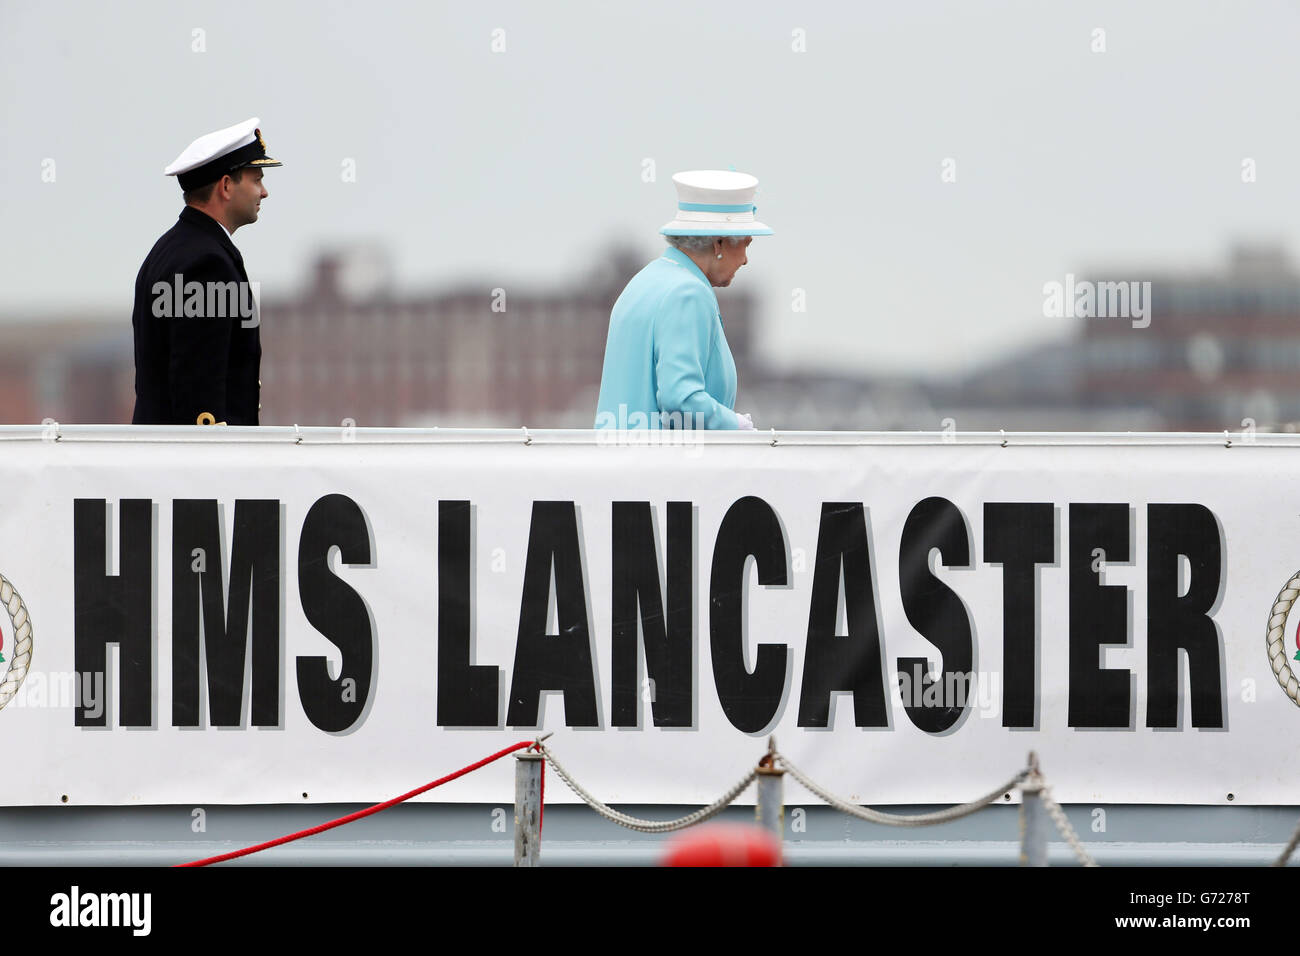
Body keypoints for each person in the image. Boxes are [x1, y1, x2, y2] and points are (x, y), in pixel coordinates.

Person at [131, 117, 282, 425]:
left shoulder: (173, 248)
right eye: (256, 179)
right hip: (196, 465)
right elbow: (198, 392)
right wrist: (211, 463)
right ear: (226, 185)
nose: (264, 192)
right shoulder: (207, 263)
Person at [595, 169, 771, 430]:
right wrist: (736, 426)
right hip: (666, 467)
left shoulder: (642, 282)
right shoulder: (688, 293)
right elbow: (681, 399)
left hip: (618, 464)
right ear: (719, 244)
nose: (746, 258)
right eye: (745, 243)